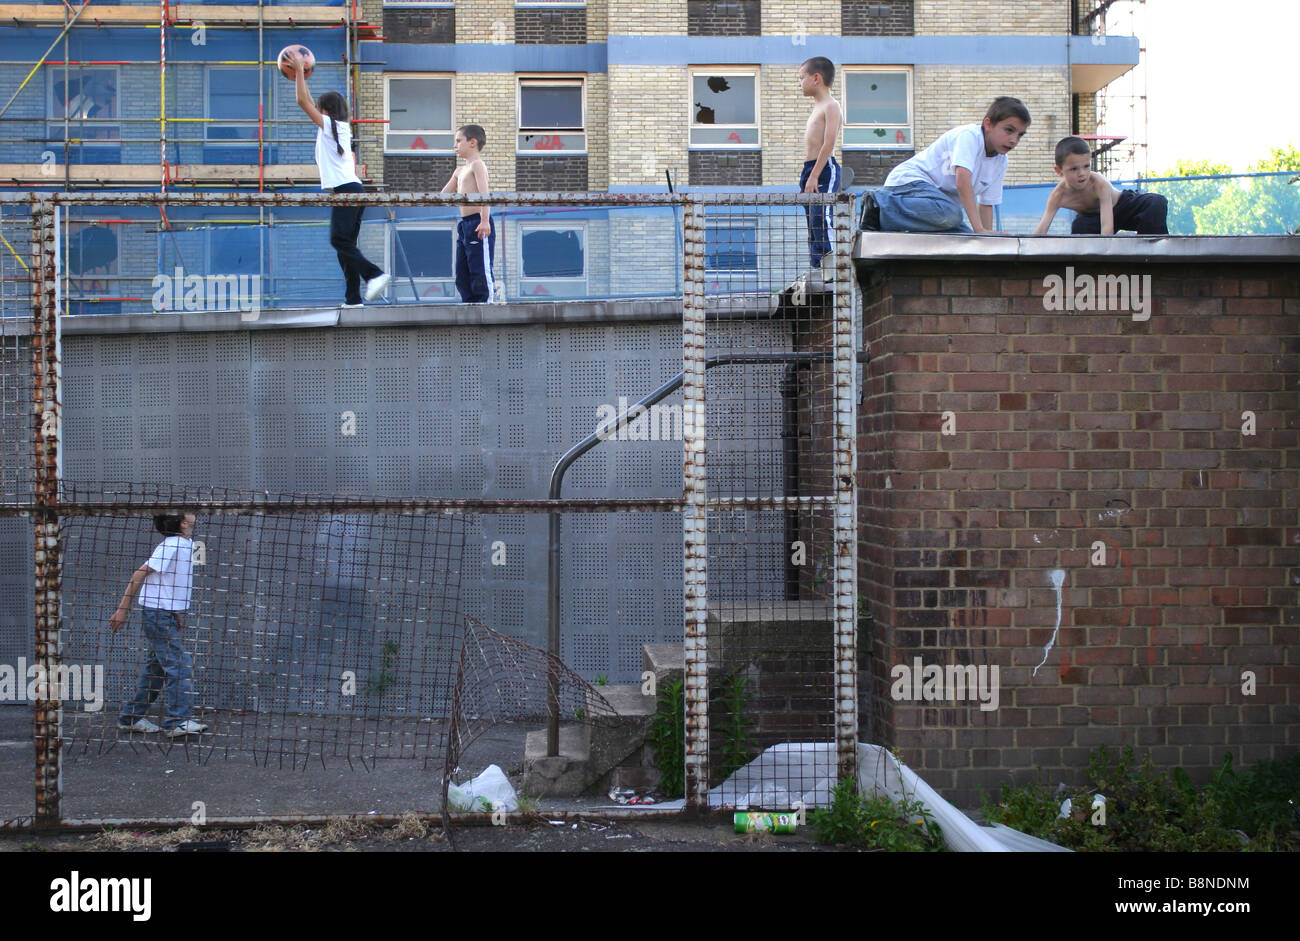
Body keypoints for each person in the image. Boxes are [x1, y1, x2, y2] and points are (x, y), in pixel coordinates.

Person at [291, 51, 389, 308]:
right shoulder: (335, 128)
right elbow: (309, 99)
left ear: (325, 111)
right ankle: (353, 299)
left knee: (339, 241)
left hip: (347, 190)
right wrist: (301, 74)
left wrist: (300, 71)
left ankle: (375, 274)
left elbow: (303, 101)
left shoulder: (330, 127)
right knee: (345, 247)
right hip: (351, 191)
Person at [862, 96, 1031, 235]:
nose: (1013, 140)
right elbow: (962, 181)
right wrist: (979, 229)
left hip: (935, 203)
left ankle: (887, 221)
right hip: (909, 183)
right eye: (1009, 130)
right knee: (951, 214)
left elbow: (986, 204)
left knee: (965, 237)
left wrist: (986, 236)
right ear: (988, 124)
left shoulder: (1000, 161)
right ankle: (879, 204)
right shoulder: (970, 137)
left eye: (1020, 135)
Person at [110, 512, 209, 737]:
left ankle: (131, 717)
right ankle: (176, 721)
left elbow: (170, 583)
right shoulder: (171, 545)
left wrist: (174, 611)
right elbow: (139, 574)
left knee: (156, 670)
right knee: (180, 664)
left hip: (165, 613)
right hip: (157, 614)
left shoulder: (189, 545)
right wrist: (122, 610)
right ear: (183, 523)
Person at [1033, 136, 1169, 235]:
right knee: (1079, 226)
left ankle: (1149, 250)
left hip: (1123, 207)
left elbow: (1107, 229)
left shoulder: (1098, 183)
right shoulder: (1057, 196)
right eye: (1074, 169)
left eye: (1086, 166)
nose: (1082, 174)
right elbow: (1041, 229)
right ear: (1059, 171)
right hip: (1093, 220)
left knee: (1156, 202)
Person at [441, 125, 495, 303]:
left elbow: (484, 194)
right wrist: (455, 182)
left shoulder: (477, 165)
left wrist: (485, 220)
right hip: (464, 224)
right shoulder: (459, 171)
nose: (455, 145)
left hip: (478, 222)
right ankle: (469, 305)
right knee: (462, 272)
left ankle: (485, 304)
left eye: (458, 141)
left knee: (479, 269)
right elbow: (443, 195)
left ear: (472, 142)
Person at [799, 56, 844, 267]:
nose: (800, 83)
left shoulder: (831, 105)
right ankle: (816, 266)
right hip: (809, 169)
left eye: (802, 78)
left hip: (824, 169)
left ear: (816, 78)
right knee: (811, 221)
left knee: (822, 217)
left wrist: (815, 175)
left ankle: (830, 266)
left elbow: (828, 143)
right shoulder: (816, 107)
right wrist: (809, 174)